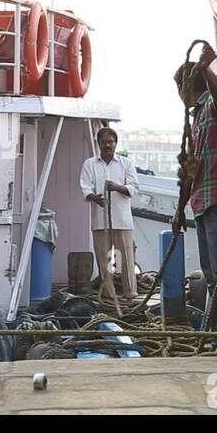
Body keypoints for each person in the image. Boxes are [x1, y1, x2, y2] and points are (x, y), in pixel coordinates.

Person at [173, 42, 217, 299]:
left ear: (184, 88)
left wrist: (206, 69)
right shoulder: (196, 119)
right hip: (202, 204)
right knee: (213, 276)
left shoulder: (213, 108)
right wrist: (180, 211)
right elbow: (190, 169)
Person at [79, 127, 140, 303]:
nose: (107, 145)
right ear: (99, 144)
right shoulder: (90, 164)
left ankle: (130, 293)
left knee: (127, 259)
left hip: (122, 219)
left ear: (115, 143)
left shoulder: (125, 163)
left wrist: (116, 187)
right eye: (104, 142)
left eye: (110, 142)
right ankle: (108, 294)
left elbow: (134, 188)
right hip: (100, 220)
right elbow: (85, 187)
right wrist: (93, 198)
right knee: (104, 258)